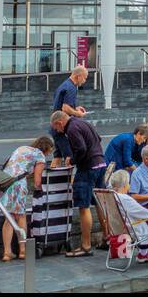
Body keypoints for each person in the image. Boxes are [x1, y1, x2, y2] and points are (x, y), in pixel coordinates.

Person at [50, 109, 108, 256]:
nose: (58, 131)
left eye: (57, 128)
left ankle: (86, 246)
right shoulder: (82, 123)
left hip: (88, 167)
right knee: (100, 203)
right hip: (101, 164)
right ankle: (107, 237)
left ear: (60, 122)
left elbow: (81, 148)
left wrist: (72, 160)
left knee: (83, 206)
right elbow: (99, 139)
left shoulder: (71, 128)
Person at [0, 136, 54, 261]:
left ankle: (7, 253)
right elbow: (37, 181)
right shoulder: (39, 156)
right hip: (18, 184)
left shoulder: (22, 148)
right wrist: (42, 190)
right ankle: (22, 250)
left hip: (5, 182)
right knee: (21, 216)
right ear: (47, 148)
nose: (49, 154)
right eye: (50, 151)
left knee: (9, 217)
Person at [108, 169, 148, 265]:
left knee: (147, 217)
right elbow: (147, 215)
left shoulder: (111, 197)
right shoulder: (125, 198)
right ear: (125, 184)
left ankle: (143, 253)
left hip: (121, 230)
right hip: (135, 229)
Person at [49, 66, 90, 162]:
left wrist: (75, 108)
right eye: (84, 77)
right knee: (69, 158)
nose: (84, 81)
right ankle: (70, 178)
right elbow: (65, 108)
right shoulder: (71, 87)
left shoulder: (64, 85)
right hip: (61, 128)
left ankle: (53, 177)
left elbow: (61, 105)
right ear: (78, 76)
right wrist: (78, 114)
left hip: (56, 127)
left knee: (57, 157)